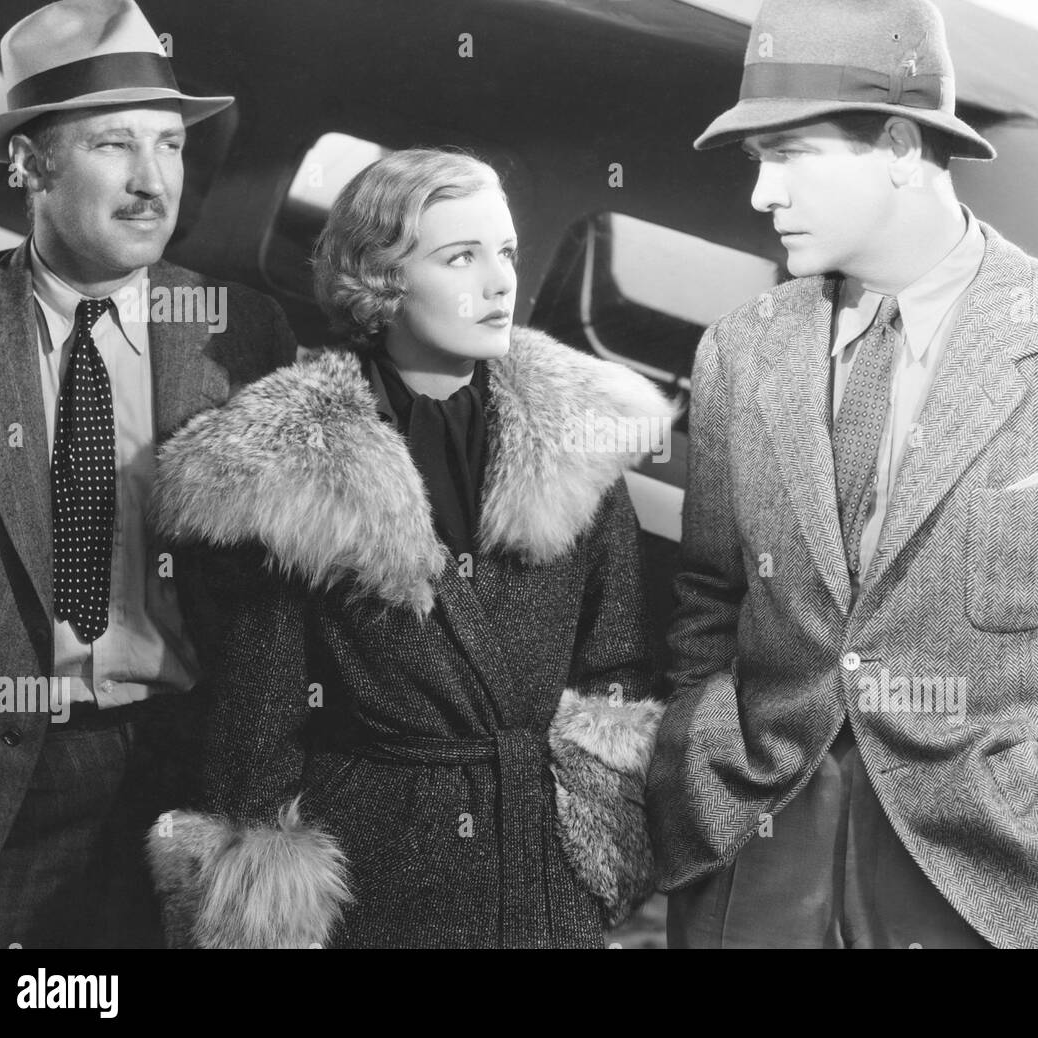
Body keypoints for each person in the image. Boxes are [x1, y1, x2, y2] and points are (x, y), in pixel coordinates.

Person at [647, 0, 1038, 949]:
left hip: (980, 892)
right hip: (744, 869)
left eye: (790, 156)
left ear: (897, 146)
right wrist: (698, 744)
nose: (764, 192)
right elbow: (711, 599)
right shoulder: (740, 350)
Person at [145, 148, 670, 948]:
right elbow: (257, 727)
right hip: (377, 866)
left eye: (507, 254)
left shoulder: (579, 439)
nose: (499, 283)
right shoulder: (293, 469)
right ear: (381, 283)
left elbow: (615, 670)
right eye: (461, 257)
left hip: (545, 866)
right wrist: (268, 907)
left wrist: (600, 857)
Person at [0, 0, 296, 947]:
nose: (154, 182)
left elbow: (287, 601)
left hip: (182, 775)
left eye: (172, 145)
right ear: (30, 162)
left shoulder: (239, 332)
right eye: (116, 144)